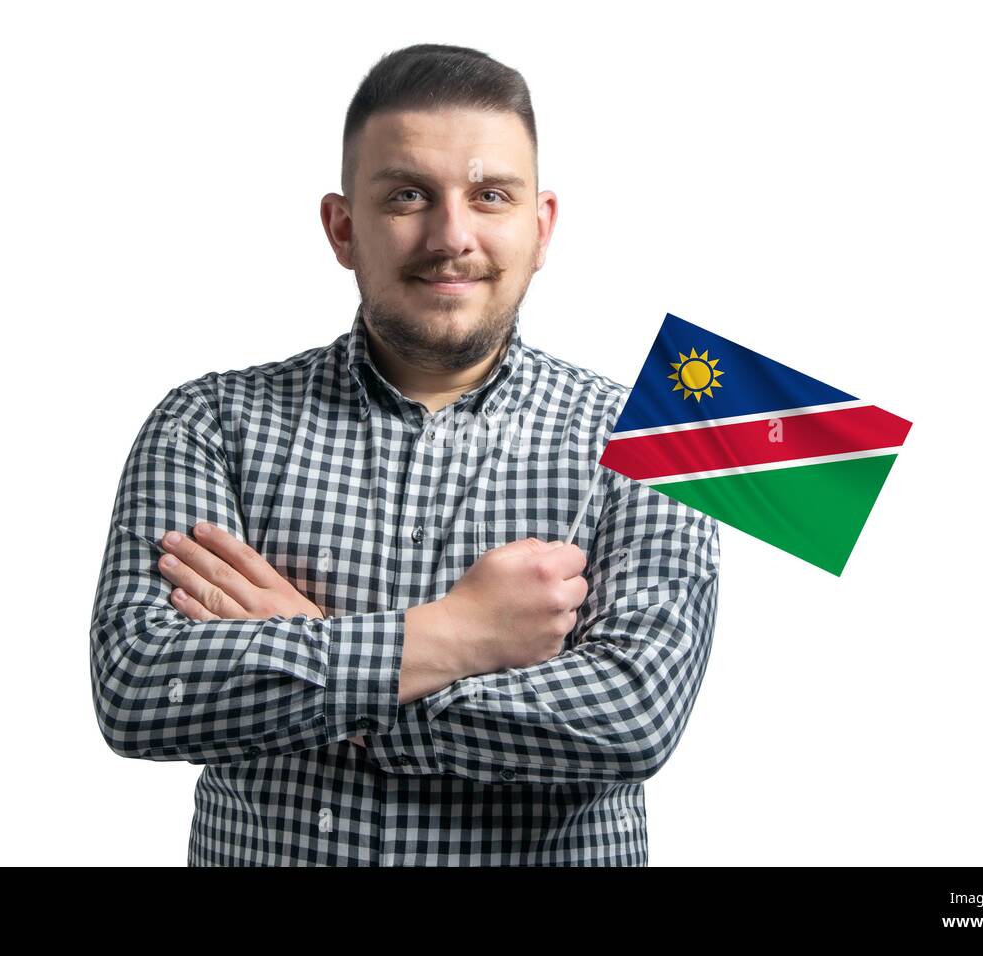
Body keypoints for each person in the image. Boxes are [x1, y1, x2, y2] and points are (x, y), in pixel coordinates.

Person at [89, 42, 720, 866]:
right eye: (409, 195)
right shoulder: (207, 422)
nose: (451, 236)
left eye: (490, 195)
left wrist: (320, 655)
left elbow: (630, 720)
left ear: (541, 227)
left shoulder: (655, 432)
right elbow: (142, 689)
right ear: (343, 227)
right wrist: (455, 633)